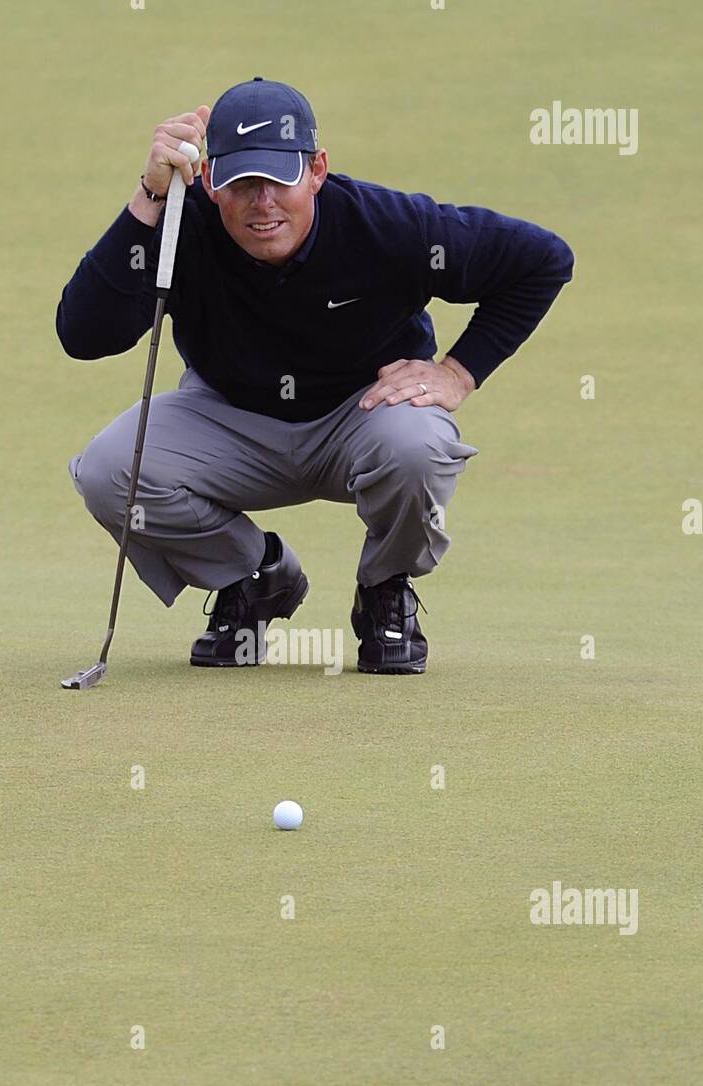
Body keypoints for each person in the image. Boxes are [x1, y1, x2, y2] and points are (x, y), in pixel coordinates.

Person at [57, 78, 573, 674]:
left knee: (419, 446)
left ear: (317, 170)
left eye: (279, 178)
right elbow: (84, 336)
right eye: (241, 183)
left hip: (363, 419)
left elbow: (543, 259)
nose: (263, 202)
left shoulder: (387, 225)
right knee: (108, 471)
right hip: (228, 417)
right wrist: (149, 196)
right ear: (208, 181)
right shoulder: (179, 224)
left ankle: (385, 590)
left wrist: (458, 372)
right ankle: (255, 576)